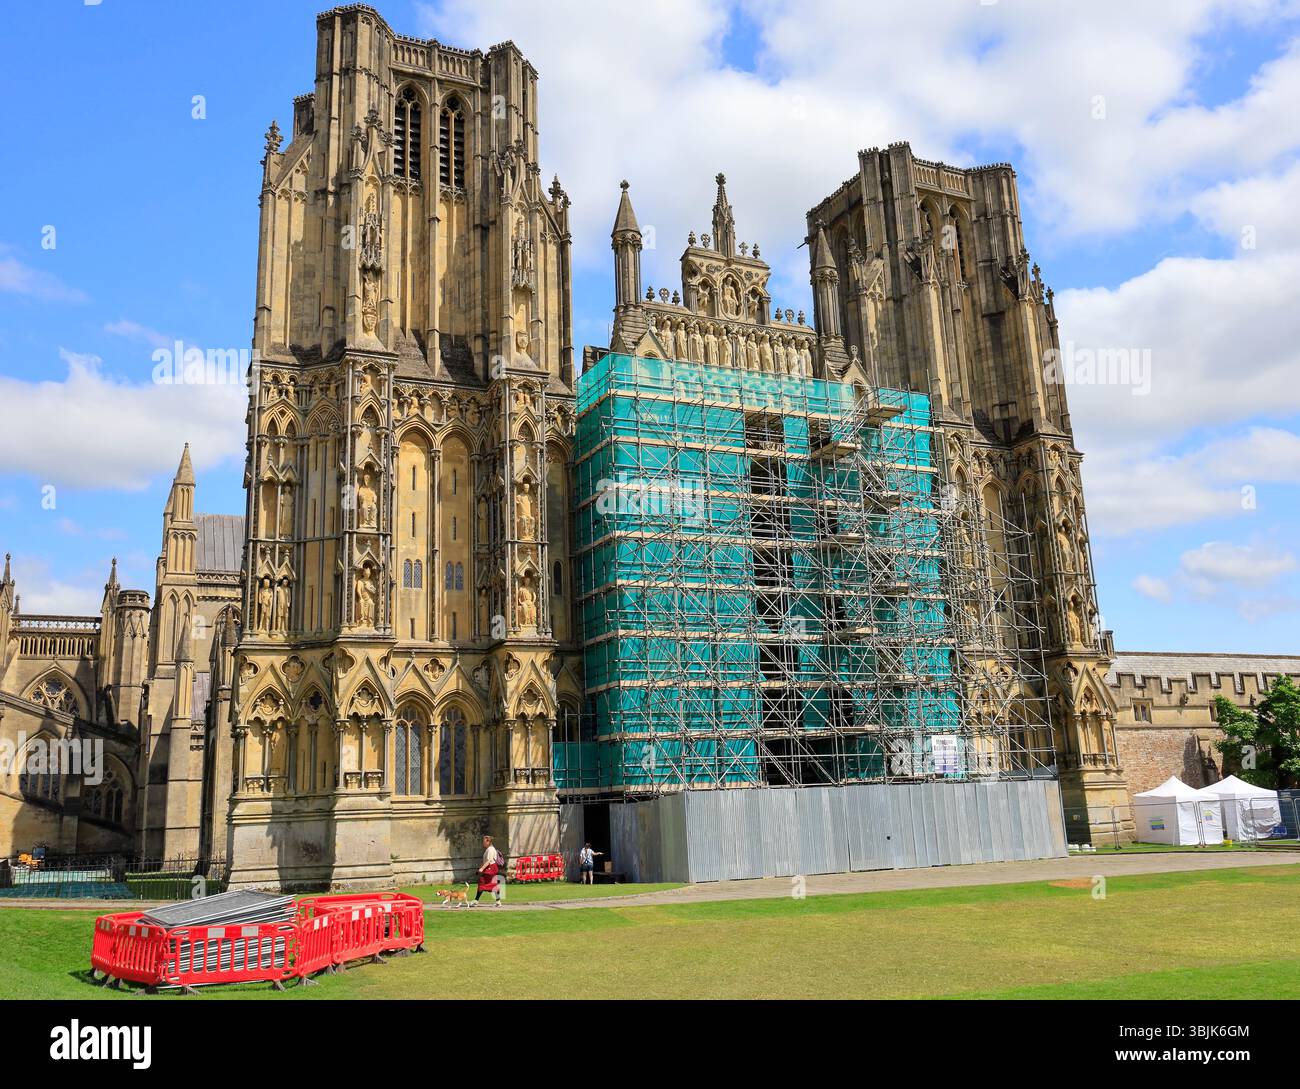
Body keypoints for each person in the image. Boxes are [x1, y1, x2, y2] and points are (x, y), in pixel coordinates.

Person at [476, 834, 504, 906]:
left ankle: (476, 900)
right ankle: (498, 902)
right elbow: (485, 861)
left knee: (482, 881)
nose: (483, 843)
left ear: (488, 841)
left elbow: (489, 861)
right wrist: (480, 868)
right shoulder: (489, 849)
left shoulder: (490, 849)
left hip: (490, 868)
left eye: (484, 841)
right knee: (492, 884)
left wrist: (481, 869)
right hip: (490, 868)